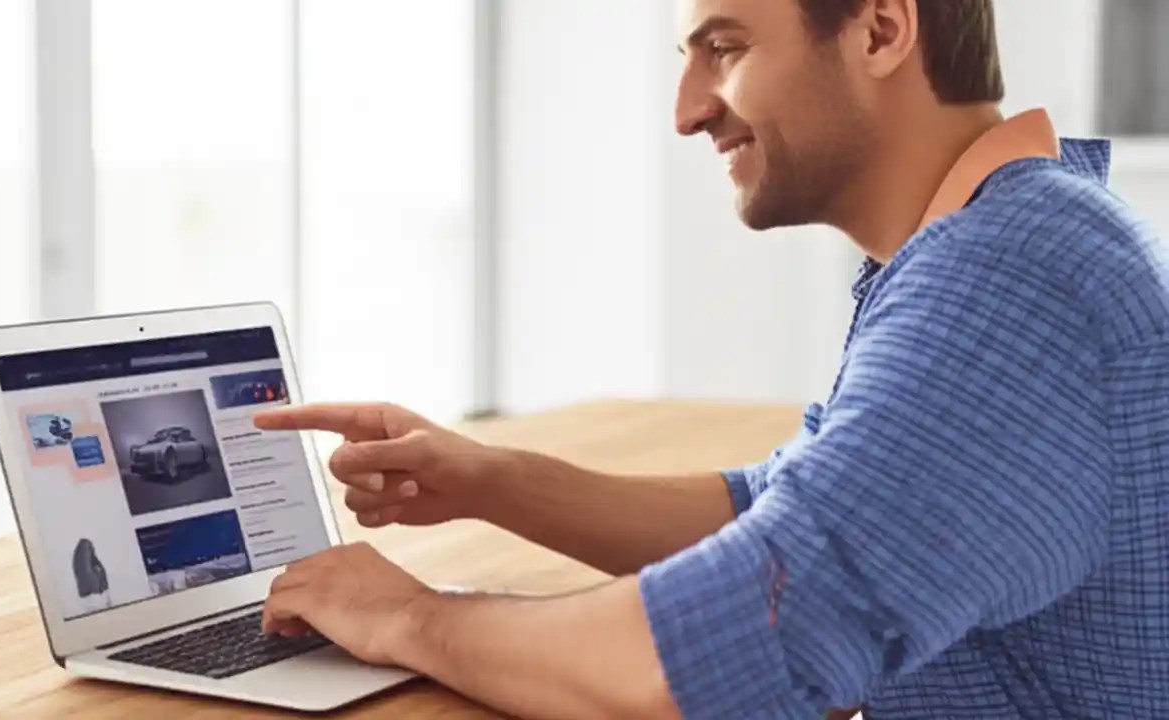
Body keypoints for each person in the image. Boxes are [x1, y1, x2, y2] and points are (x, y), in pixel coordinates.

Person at [253, 0, 1169, 717]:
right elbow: (786, 509)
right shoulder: (1001, 242)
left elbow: (720, 655)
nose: (689, 111)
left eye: (724, 49)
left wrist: (405, 618)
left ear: (881, 30)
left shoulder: (1010, 286)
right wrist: (489, 480)